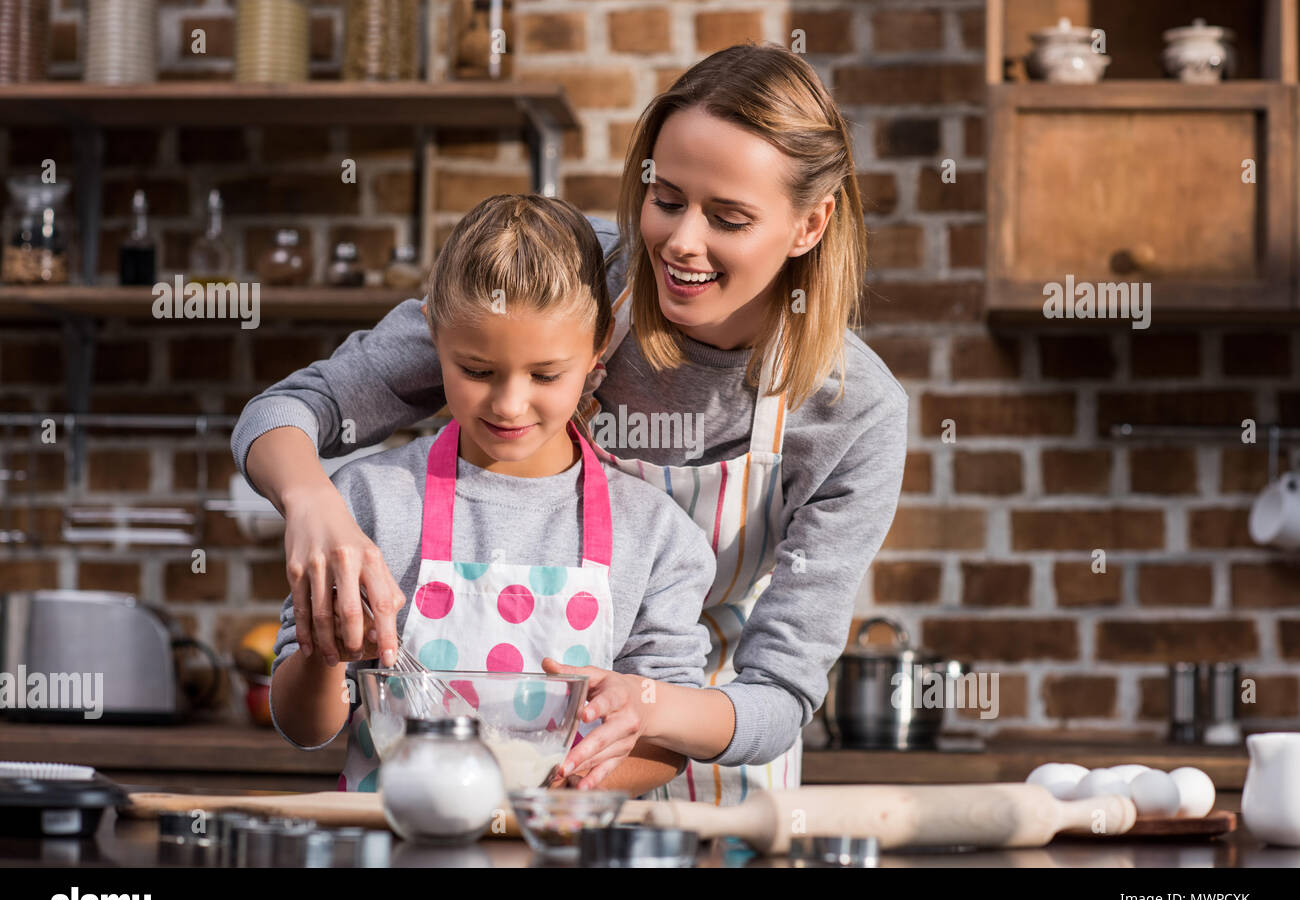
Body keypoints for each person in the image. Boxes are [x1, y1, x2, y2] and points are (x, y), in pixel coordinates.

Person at [235, 43, 908, 806]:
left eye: (728, 217)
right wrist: (314, 504)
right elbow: (288, 410)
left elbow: (781, 692)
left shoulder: (855, 412)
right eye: (667, 198)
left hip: (702, 753)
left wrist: (643, 711)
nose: (682, 243)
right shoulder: (564, 286)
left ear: (810, 224)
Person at [266, 194, 714, 793]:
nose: (508, 403)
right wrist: (328, 652)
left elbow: (665, 739)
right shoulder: (367, 504)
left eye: (545, 375)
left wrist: (577, 788)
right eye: (476, 370)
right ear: (432, 332)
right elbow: (304, 728)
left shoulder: (655, 535)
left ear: (598, 345)